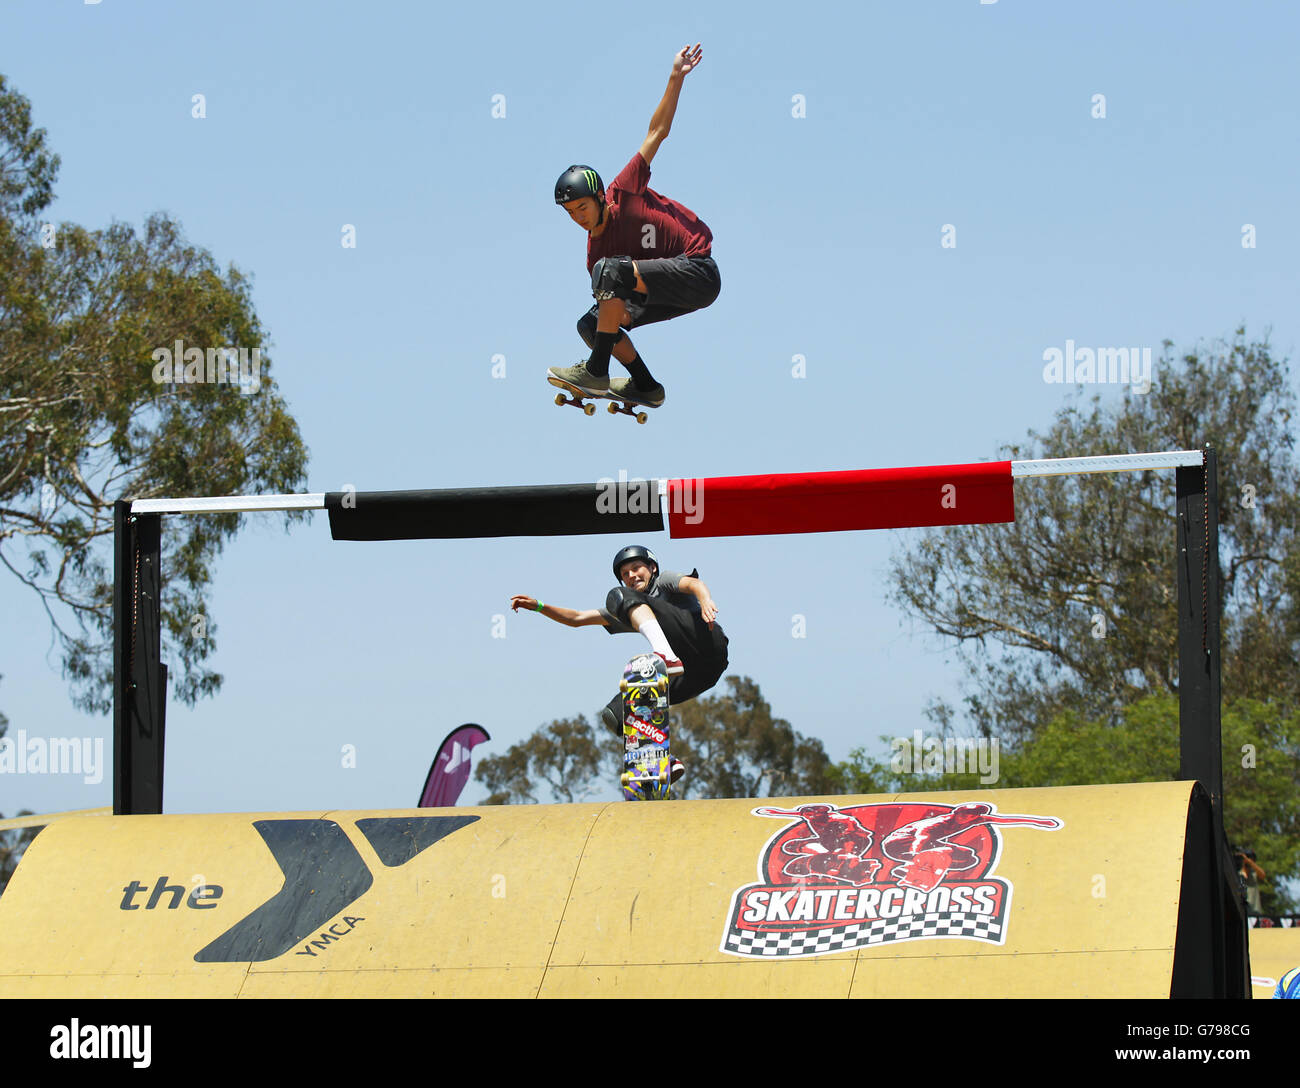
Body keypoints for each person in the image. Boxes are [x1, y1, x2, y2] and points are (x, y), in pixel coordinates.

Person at [548, 43, 720, 408]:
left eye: (582, 207)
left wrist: (676, 76)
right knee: (592, 324)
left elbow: (657, 132)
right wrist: (604, 326)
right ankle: (646, 385)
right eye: (571, 213)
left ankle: (596, 373)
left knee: (610, 272)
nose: (579, 217)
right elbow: (618, 316)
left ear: (598, 197)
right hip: (661, 291)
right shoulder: (596, 252)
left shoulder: (624, 189)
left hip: (698, 271)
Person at [510, 545, 729, 784]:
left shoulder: (664, 581)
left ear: (652, 568)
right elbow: (577, 618)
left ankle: (665, 656)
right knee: (616, 714)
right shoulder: (633, 609)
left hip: (706, 641)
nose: (632, 576)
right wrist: (539, 606)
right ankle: (662, 759)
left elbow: (694, 585)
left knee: (618, 597)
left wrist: (705, 600)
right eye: (625, 574)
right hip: (695, 675)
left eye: (636, 569)